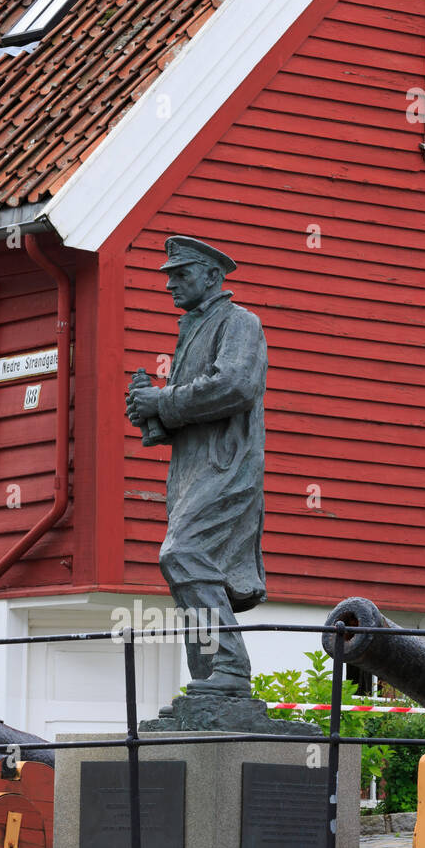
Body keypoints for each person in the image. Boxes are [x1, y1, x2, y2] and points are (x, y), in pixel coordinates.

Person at [126, 236, 268, 699]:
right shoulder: (192, 329)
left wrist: (163, 401)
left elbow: (233, 387)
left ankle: (229, 667)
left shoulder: (239, 323)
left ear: (212, 275)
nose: (171, 285)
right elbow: (196, 409)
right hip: (191, 472)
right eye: (169, 276)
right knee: (191, 568)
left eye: (181, 274)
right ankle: (210, 679)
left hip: (227, 469)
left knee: (181, 554)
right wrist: (152, 414)